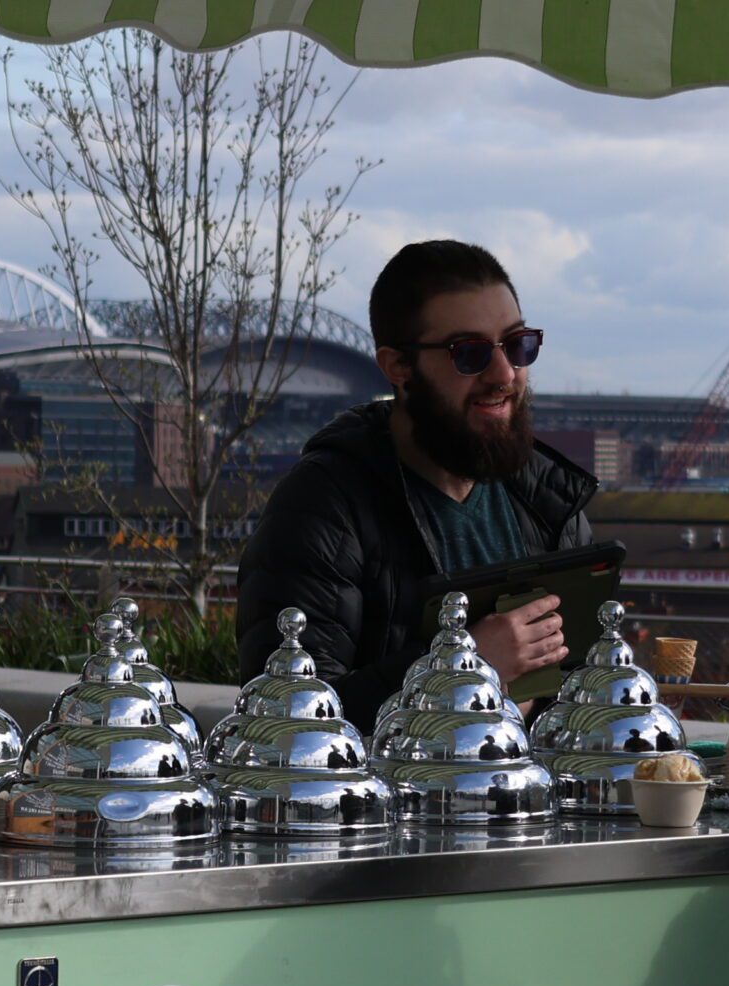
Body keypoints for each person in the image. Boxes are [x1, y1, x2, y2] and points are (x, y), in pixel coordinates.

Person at [234, 239, 598, 725]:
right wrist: (460, 667)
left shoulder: (549, 499)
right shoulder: (323, 507)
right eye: (469, 354)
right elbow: (283, 719)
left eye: (517, 344)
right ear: (398, 367)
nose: (505, 373)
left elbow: (584, 689)